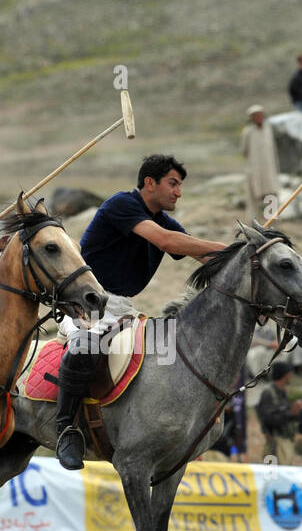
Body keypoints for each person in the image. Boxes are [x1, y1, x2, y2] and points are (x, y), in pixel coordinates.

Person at [55, 155, 227, 468]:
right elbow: (169, 242)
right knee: (86, 347)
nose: (178, 193)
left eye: (180, 186)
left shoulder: (162, 221)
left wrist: (244, 258)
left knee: (168, 350)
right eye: (173, 184)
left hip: (123, 309)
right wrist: (227, 249)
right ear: (150, 183)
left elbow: (196, 251)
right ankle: (66, 429)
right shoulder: (121, 205)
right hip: (86, 304)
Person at [240, 104, 280, 220]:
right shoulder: (247, 131)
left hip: (269, 168)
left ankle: (271, 223)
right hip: (254, 169)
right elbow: (244, 151)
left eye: (260, 115)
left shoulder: (268, 129)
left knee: (271, 195)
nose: (258, 118)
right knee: (253, 195)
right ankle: (254, 223)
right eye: (255, 116)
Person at [257, 362, 301, 465]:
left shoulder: (283, 392)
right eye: (289, 373)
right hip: (275, 443)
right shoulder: (268, 393)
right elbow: (268, 419)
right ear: (285, 375)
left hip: (286, 441)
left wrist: (296, 412)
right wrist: (290, 413)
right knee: (274, 477)